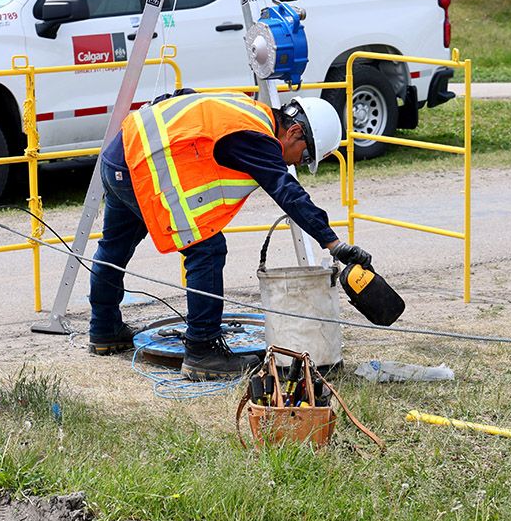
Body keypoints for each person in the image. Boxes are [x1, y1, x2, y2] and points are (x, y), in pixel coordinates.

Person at [88, 89, 374, 380]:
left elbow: (183, 97)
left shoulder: (247, 110)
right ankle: (203, 351)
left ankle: (104, 330)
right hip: (140, 165)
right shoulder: (257, 137)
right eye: (303, 157)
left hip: (120, 154)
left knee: (114, 247)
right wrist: (333, 242)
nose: (294, 164)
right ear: (295, 131)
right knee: (207, 249)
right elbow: (287, 191)